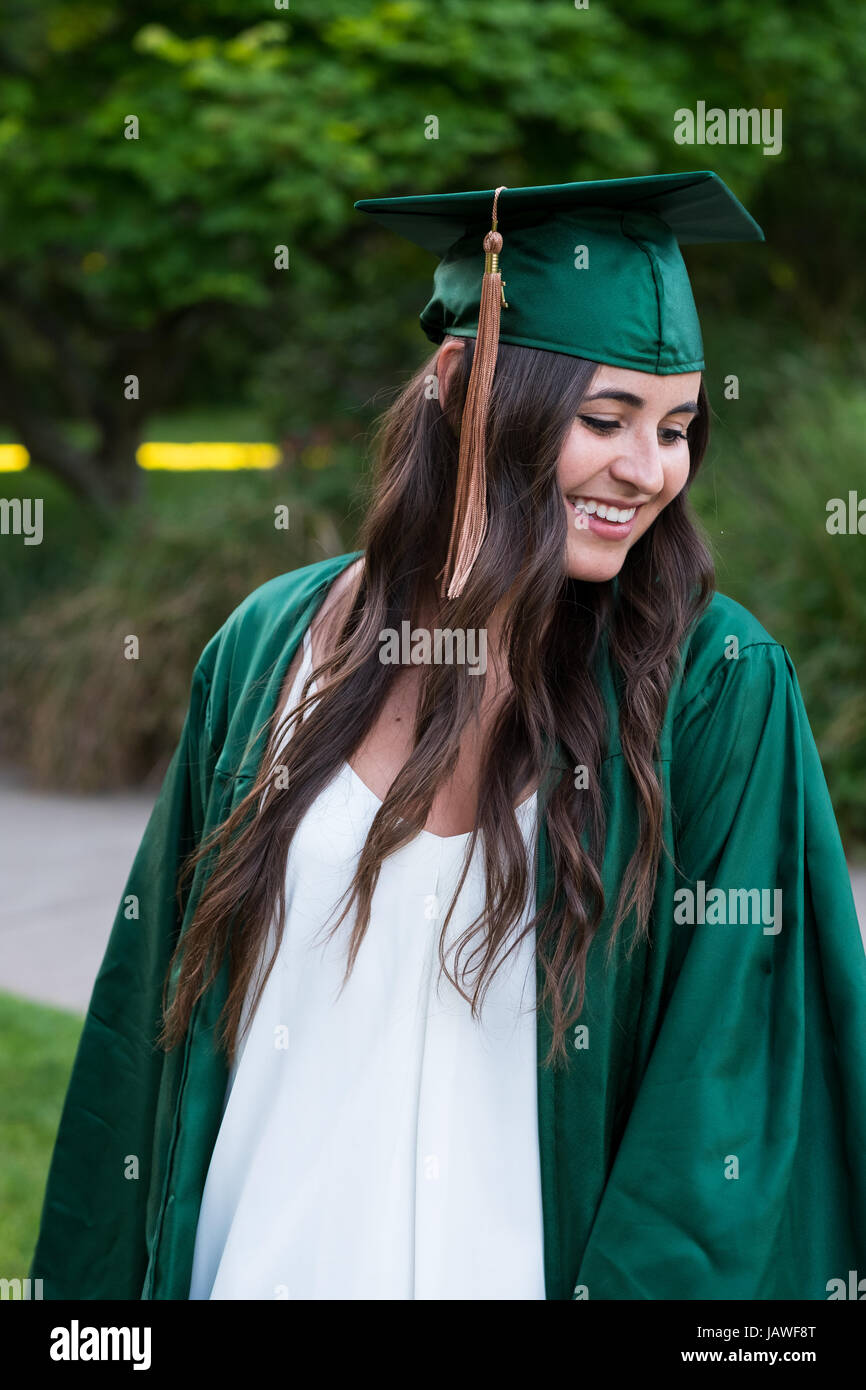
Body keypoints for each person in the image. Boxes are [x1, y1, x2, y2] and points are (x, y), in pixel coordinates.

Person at [31, 173, 866, 1300]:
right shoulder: (267, 648)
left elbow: (723, 1098)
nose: (648, 470)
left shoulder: (710, 688)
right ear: (462, 385)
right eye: (604, 419)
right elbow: (145, 1034)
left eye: (675, 428)